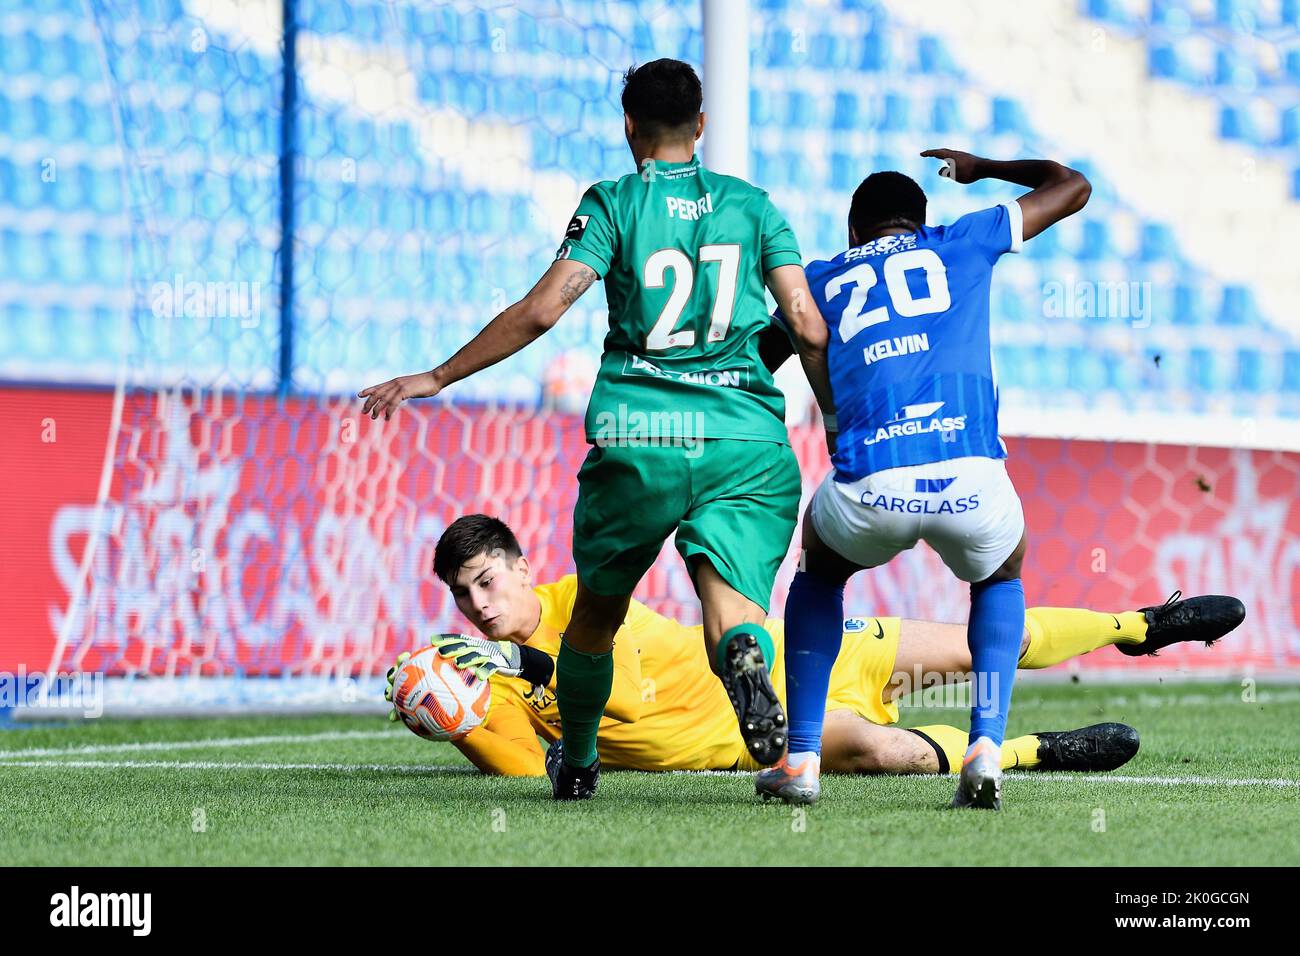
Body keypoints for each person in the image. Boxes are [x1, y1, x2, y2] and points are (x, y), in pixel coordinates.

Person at [361, 59, 835, 800]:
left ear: (628, 127)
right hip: (745, 439)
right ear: (700, 125)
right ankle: (743, 654)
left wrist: (438, 375)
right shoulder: (755, 208)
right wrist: (837, 422)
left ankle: (578, 761)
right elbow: (806, 324)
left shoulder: (612, 204)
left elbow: (543, 310)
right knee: (733, 602)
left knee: (593, 617)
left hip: (638, 433)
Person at [384, 514, 1244, 780]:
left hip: (808, 654)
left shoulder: (591, 603)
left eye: (488, 580)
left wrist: (517, 665)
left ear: (523, 567)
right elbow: (533, 776)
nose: (478, 603)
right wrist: (451, 715)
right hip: (749, 738)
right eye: (462, 595)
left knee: (987, 643)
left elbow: (624, 695)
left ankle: (1141, 627)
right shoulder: (490, 680)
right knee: (877, 748)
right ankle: (1033, 753)